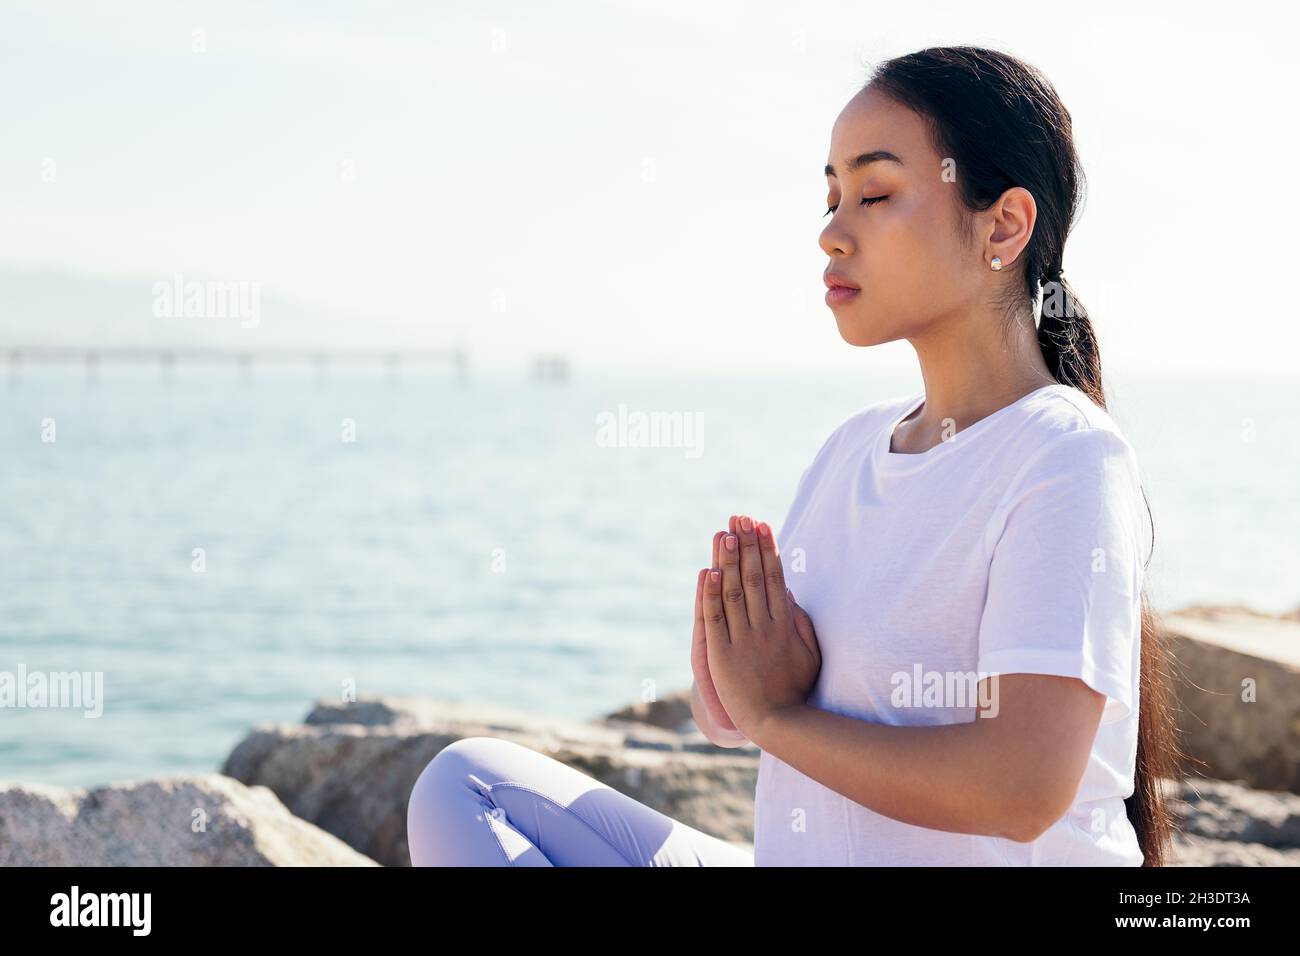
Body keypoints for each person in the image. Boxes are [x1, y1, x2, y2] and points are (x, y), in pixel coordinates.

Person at [405, 44, 1183, 867]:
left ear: (1004, 225)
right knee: (466, 782)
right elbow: (743, 719)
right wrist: (734, 680)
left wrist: (783, 718)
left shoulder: (1063, 456)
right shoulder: (853, 449)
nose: (831, 233)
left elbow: (1023, 787)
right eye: (831, 196)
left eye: (875, 193)